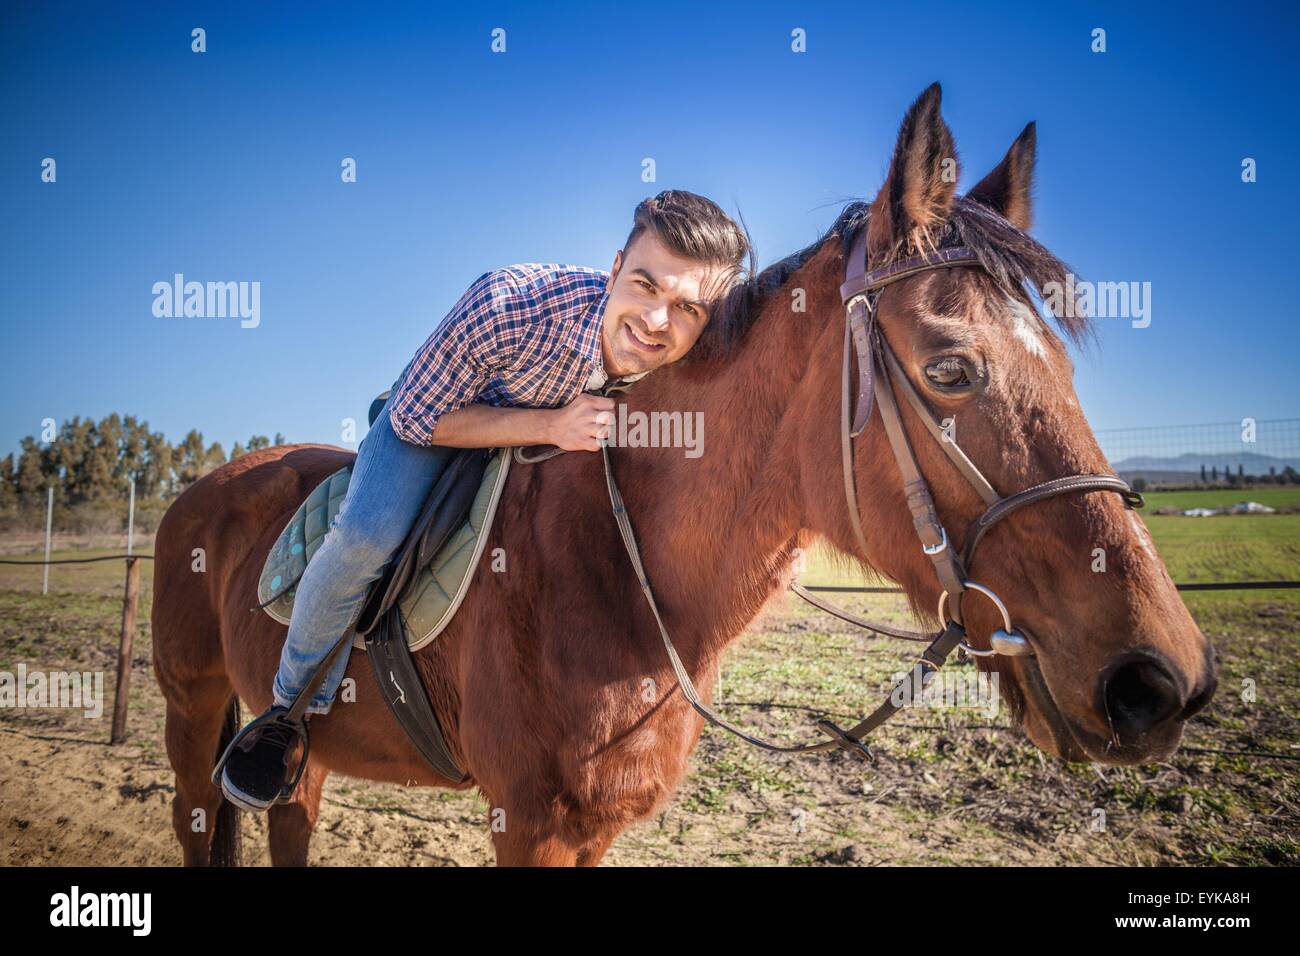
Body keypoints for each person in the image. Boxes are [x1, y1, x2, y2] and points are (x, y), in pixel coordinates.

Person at [218, 190, 751, 811]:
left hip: (560, 439)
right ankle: (287, 711)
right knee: (365, 537)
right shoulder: (509, 304)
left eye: (687, 307)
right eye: (644, 286)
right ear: (613, 270)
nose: (658, 322)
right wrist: (550, 427)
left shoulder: (692, 365)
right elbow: (419, 420)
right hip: (446, 419)